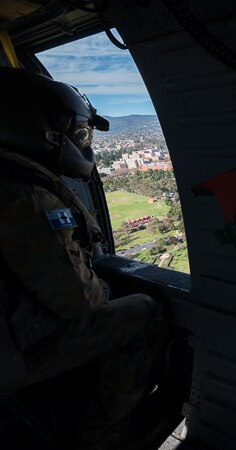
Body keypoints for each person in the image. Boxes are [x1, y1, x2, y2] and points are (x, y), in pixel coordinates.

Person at [0, 67, 168, 449]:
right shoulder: (24, 197)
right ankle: (99, 437)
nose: (83, 143)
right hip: (12, 356)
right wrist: (104, 286)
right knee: (145, 312)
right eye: (78, 133)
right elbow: (80, 300)